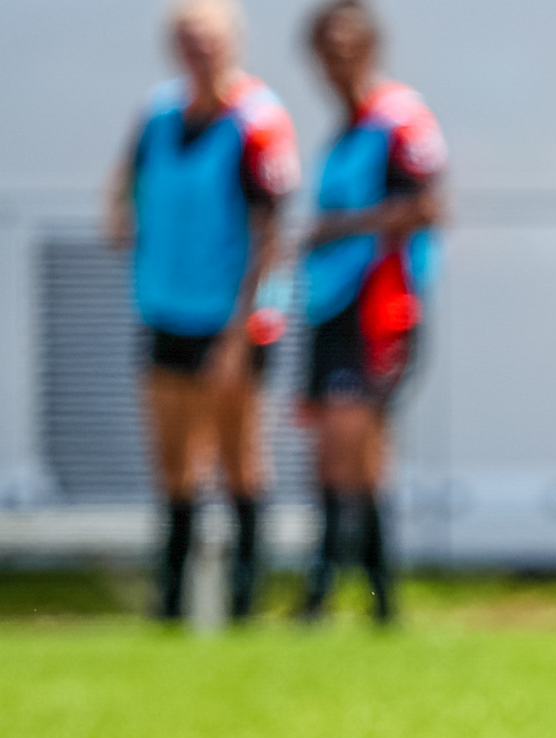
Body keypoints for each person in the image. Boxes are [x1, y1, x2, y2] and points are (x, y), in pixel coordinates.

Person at [106, 0, 298, 623]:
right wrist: (121, 215)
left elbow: (271, 234)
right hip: (165, 306)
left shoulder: (257, 121)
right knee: (174, 463)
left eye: (209, 38)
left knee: (238, 459)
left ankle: (244, 604)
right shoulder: (159, 114)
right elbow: (125, 182)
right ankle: (171, 603)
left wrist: (240, 333)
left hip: (231, 319)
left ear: (233, 43)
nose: (199, 49)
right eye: (187, 38)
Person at [295, 0, 446, 625]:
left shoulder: (398, 121)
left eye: (348, 45)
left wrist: (339, 227)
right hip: (333, 305)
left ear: (371, 46)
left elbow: (428, 207)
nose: (338, 60)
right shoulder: (345, 128)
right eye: (327, 49)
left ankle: (325, 595)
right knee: (349, 456)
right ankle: (379, 601)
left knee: (349, 447)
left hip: (380, 308)